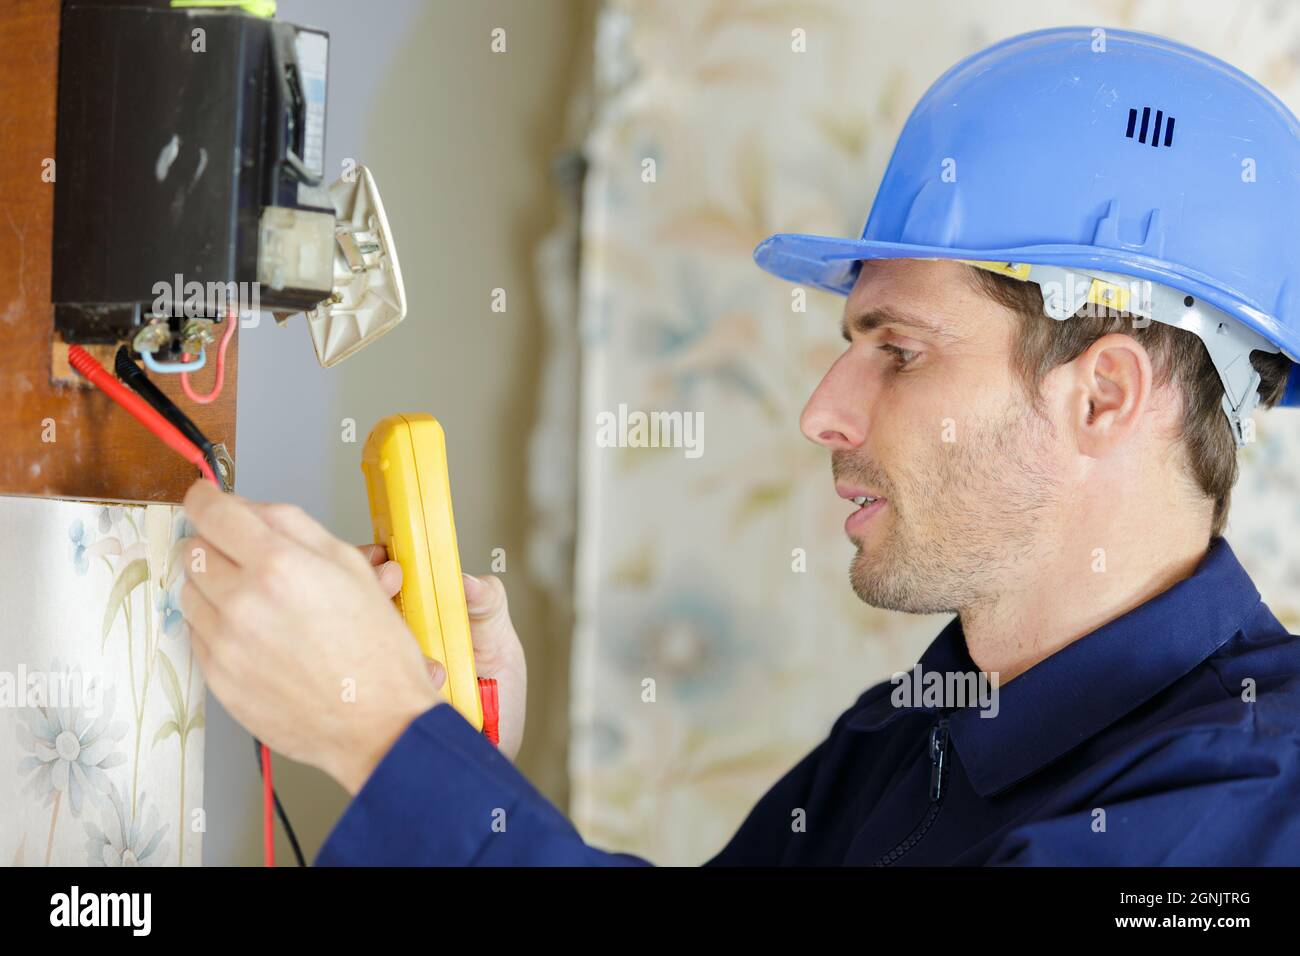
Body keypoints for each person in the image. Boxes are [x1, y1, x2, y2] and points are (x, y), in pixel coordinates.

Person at [180, 26, 1300, 865]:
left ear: (1101, 396)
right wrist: (459, 771)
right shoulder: (913, 738)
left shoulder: (1243, 804)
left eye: (897, 351)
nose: (823, 408)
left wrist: (384, 735)